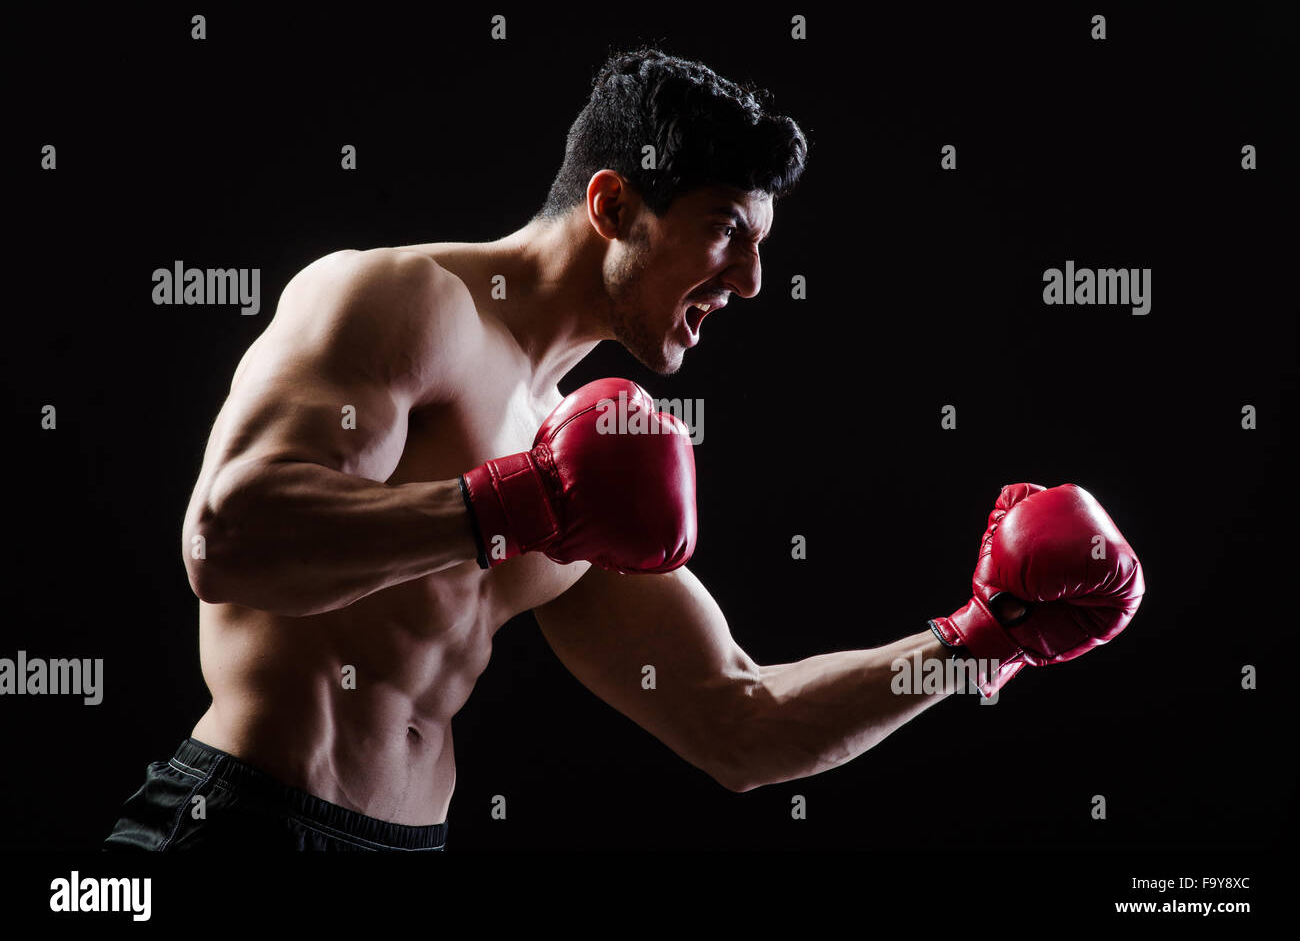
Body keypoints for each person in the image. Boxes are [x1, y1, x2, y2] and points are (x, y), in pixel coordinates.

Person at [103, 49, 1143, 851]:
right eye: (727, 229)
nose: (748, 282)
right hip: (226, 826)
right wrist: (517, 506)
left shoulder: (578, 447)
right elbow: (228, 538)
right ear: (611, 205)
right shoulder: (398, 302)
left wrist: (975, 644)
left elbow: (739, 726)